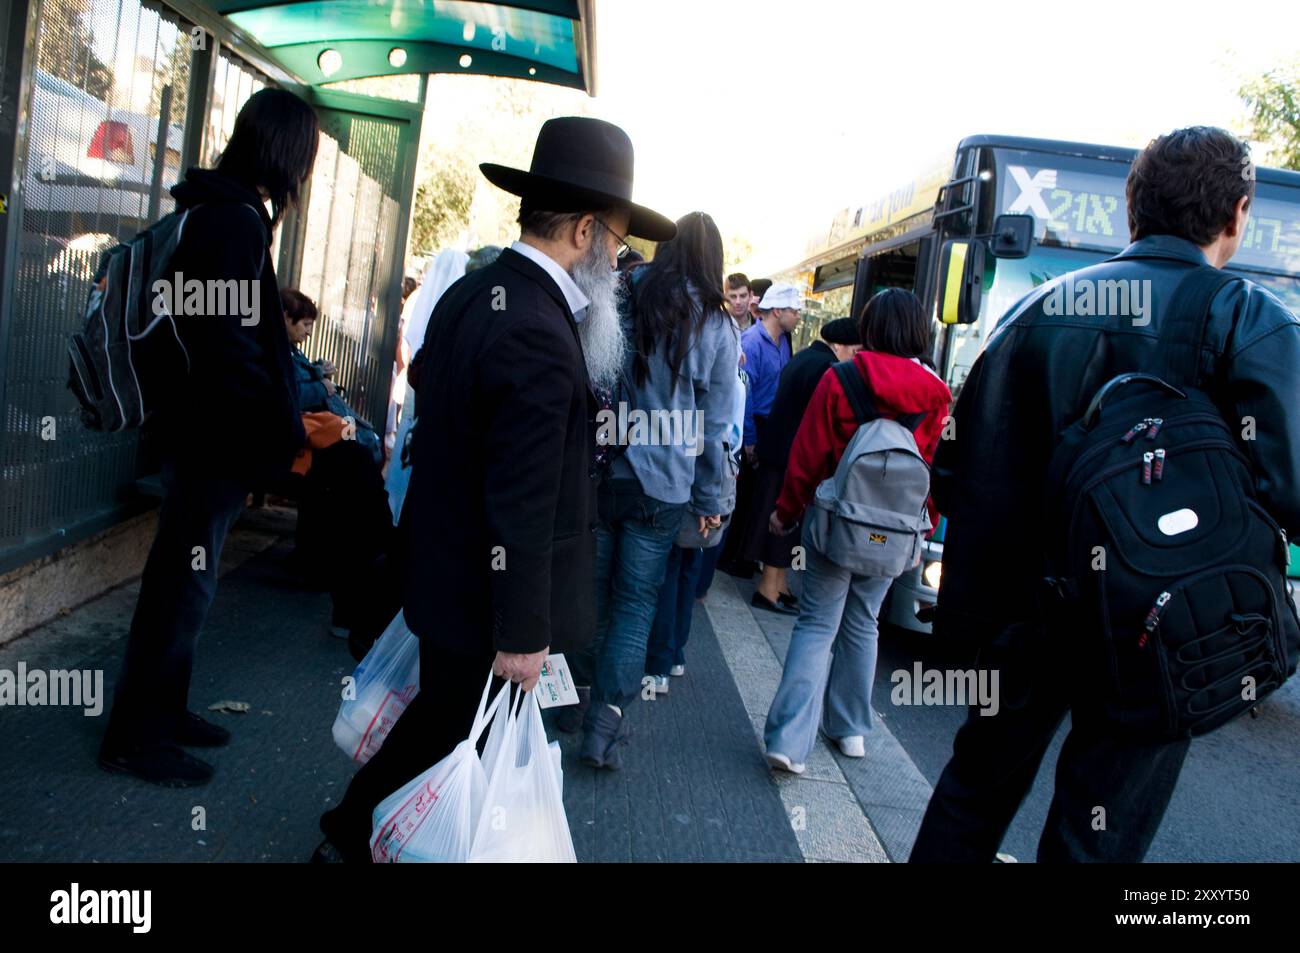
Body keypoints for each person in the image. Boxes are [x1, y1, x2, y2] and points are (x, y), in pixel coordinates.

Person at [910, 126, 1300, 863]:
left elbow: (954, 470)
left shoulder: (1035, 311)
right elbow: (1293, 486)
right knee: (1097, 835)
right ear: (1239, 215)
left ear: (1131, 208)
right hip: (1160, 627)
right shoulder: (1247, 319)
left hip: (1017, 616)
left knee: (974, 790)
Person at [315, 117, 675, 861]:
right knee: (448, 731)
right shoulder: (540, 330)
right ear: (584, 230)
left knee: (444, 723)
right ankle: (358, 838)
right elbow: (523, 497)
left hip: (446, 574)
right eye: (616, 242)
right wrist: (522, 633)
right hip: (485, 600)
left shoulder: (474, 293)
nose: (616, 259)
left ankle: (361, 834)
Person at [98, 88, 319, 787]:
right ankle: (138, 735)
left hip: (202, 436)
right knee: (181, 586)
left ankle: (162, 711)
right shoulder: (234, 221)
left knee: (184, 581)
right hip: (211, 440)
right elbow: (225, 343)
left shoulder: (217, 208)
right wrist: (261, 424)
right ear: (287, 152)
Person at [577, 211, 740, 770]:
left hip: (606, 468)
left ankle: (570, 700)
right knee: (635, 601)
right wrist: (711, 502)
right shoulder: (717, 323)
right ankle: (604, 725)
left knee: (593, 588)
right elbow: (716, 427)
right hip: (665, 483)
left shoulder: (628, 288)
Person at [764, 290, 950, 773]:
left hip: (835, 522)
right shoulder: (936, 392)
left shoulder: (841, 377)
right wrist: (919, 524)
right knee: (865, 622)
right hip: (894, 529)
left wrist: (786, 512)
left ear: (869, 327)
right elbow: (929, 465)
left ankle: (787, 742)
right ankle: (849, 731)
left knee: (817, 623)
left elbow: (809, 454)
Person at [281, 289, 392, 643]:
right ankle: (369, 570)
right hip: (295, 445)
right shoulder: (272, 350)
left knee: (359, 479)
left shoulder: (287, 353)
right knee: (357, 482)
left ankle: (362, 570)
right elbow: (289, 397)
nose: (309, 332)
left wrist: (319, 378)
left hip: (310, 442)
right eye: (305, 324)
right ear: (286, 317)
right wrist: (323, 385)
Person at [749, 316, 862, 613]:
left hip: (775, 449)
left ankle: (780, 584)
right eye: (854, 351)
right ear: (838, 344)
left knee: (781, 520)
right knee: (782, 523)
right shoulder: (827, 368)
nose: (855, 357)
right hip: (790, 455)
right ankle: (768, 589)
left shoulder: (804, 357)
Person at [383, 249, 469, 520]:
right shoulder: (460, 303)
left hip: (415, 380)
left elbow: (407, 343)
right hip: (435, 387)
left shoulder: (421, 299)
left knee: (407, 439)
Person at [736, 282, 801, 605]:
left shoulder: (784, 342)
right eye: (794, 311)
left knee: (756, 500)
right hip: (754, 425)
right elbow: (744, 396)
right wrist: (748, 440)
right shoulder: (752, 341)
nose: (798, 317)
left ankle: (745, 559)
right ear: (777, 311)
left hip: (771, 425)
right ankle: (737, 559)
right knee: (747, 498)